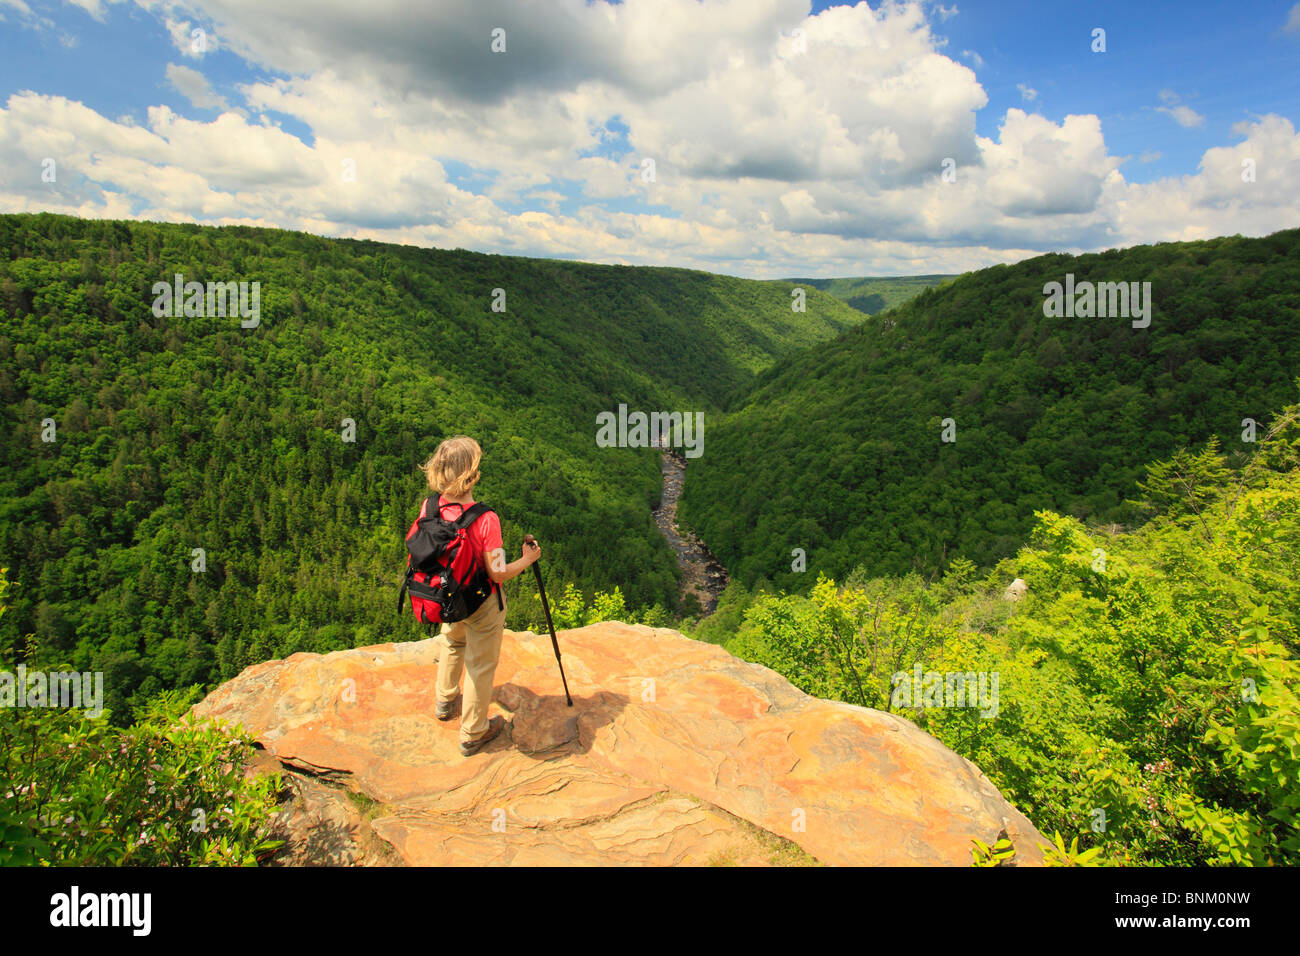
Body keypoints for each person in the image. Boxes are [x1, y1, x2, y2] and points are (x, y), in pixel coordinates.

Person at [421, 435, 541, 757]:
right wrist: (527, 560)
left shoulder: (430, 505)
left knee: (451, 642)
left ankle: (445, 701)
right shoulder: (486, 519)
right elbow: (497, 572)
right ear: (472, 475)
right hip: (480, 602)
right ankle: (474, 732)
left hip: (447, 597)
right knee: (480, 665)